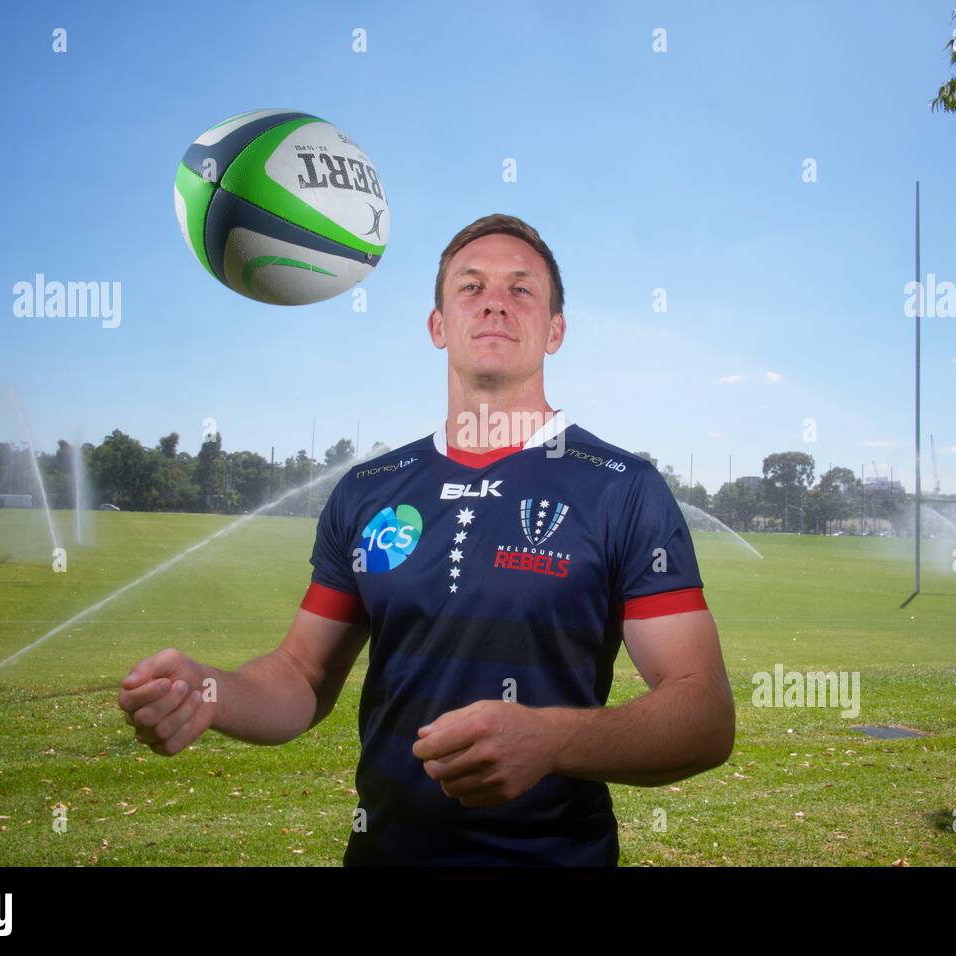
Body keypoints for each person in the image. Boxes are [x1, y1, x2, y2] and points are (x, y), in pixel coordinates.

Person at [119, 213, 735, 865]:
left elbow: (702, 715)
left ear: (555, 330)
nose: (495, 300)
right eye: (470, 287)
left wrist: (552, 739)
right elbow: (300, 676)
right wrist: (211, 693)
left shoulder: (621, 488)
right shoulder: (371, 488)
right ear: (438, 326)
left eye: (521, 288)